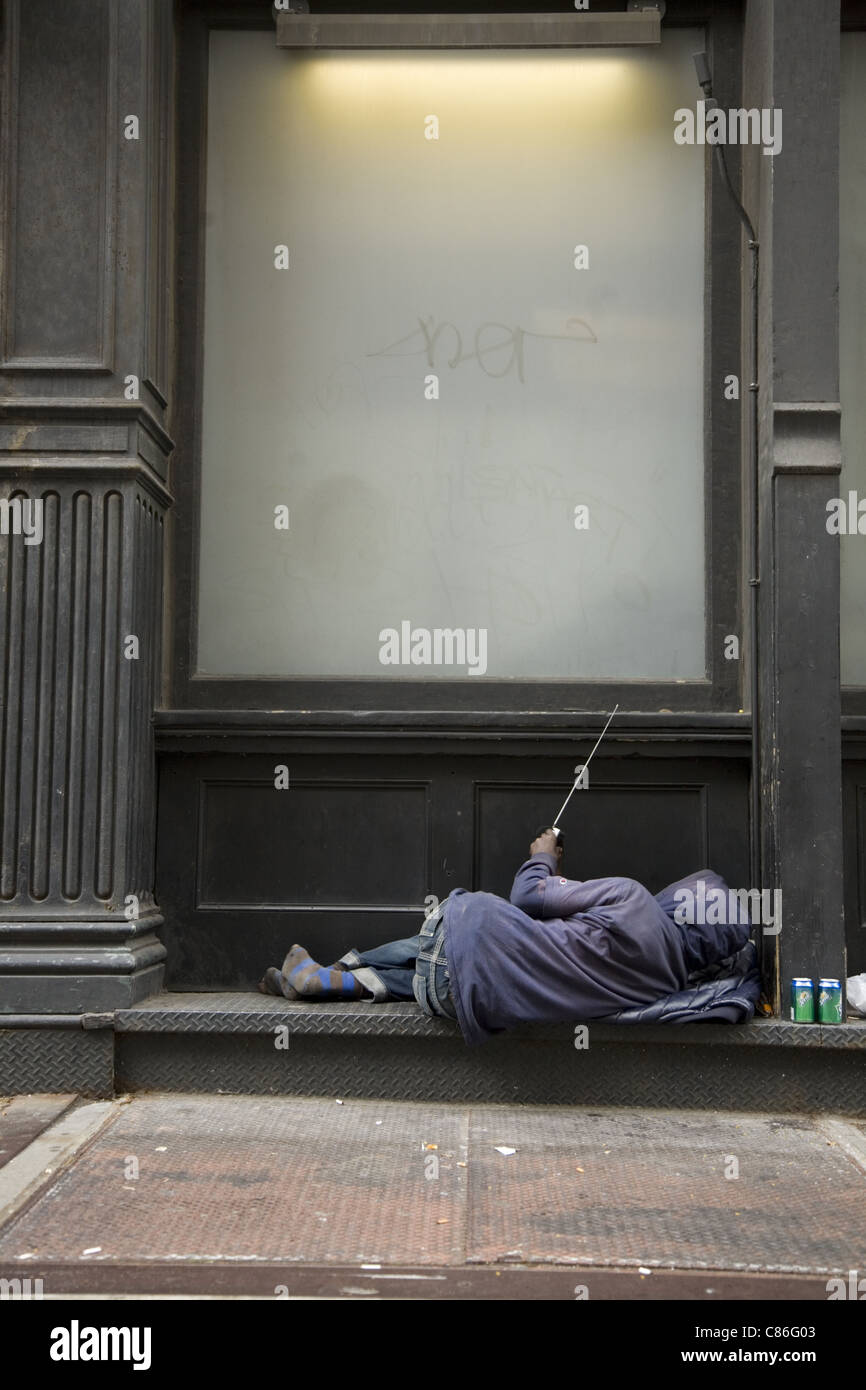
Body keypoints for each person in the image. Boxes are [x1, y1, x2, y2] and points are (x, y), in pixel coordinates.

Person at [258, 829, 754, 1045]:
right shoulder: (665, 985)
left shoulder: (632, 899)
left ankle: (342, 967)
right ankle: (337, 982)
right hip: (461, 1003)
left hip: (460, 937)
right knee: (468, 970)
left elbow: (526, 895)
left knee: (471, 931)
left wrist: (545, 859)